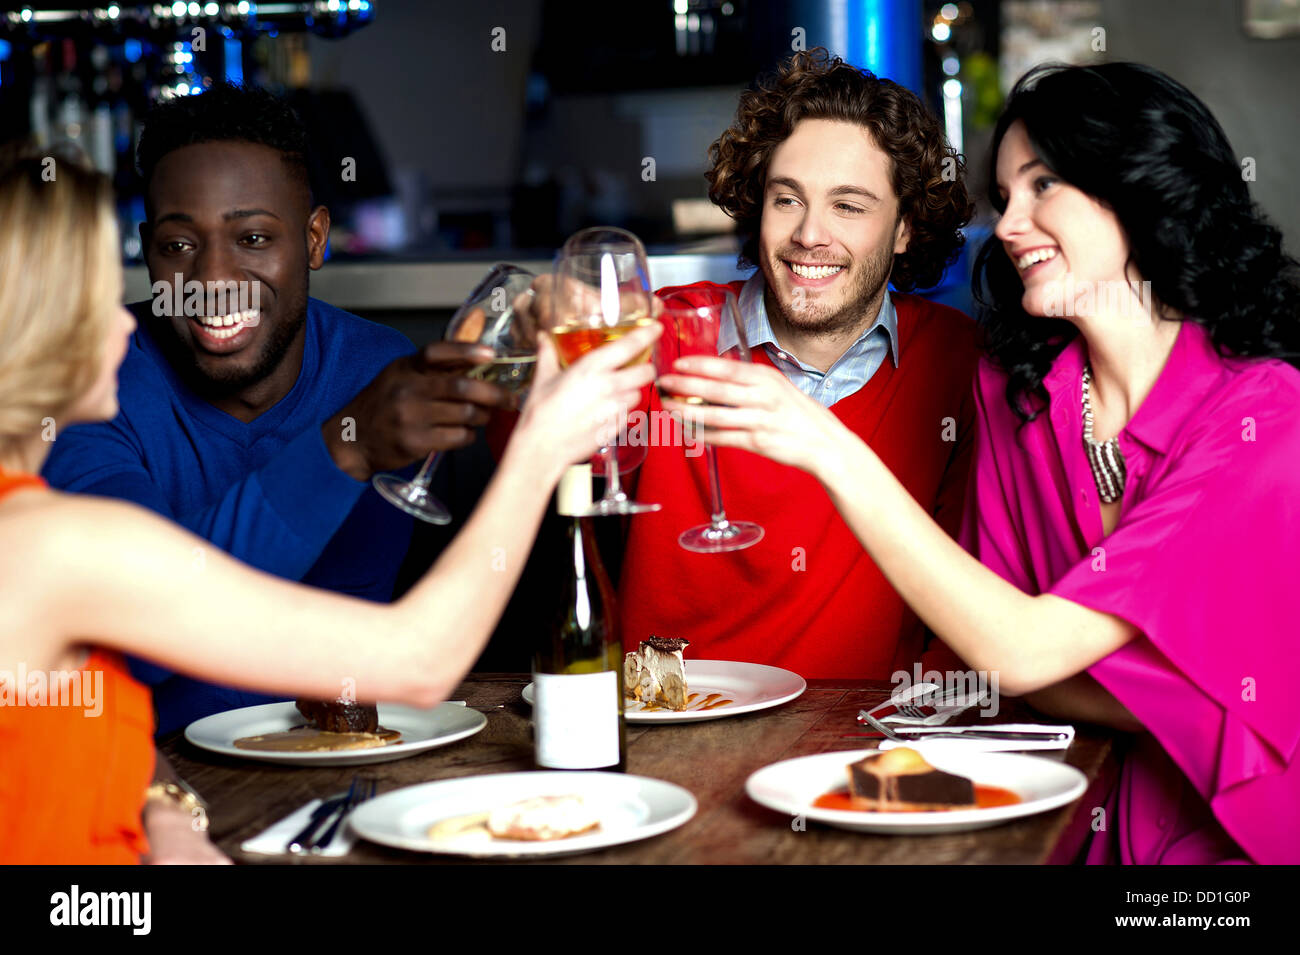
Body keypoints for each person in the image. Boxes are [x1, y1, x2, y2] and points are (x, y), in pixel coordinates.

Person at [658, 62, 1300, 864]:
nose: (1007, 224)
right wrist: (1171, 692)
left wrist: (826, 447)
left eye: (1043, 186)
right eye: (1006, 197)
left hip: (1232, 838)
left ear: (1140, 190)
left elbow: (1022, 649)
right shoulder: (1017, 395)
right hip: (1056, 812)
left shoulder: (1262, 416)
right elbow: (994, 655)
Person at [0, 146, 659, 864]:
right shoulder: (58, 545)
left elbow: (76, 730)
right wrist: (542, 444)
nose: (131, 322)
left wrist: (166, 816)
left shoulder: (34, 527)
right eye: (98, 302)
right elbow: (421, 659)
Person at [41, 84, 510, 734]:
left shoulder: (377, 371)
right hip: (155, 781)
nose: (213, 280)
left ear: (315, 239)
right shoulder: (89, 383)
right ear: (147, 251)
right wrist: (346, 448)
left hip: (351, 761)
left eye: (254, 237)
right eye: (179, 246)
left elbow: (358, 642)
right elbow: (143, 625)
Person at [618, 49, 979, 679]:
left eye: (849, 206)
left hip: (859, 744)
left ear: (903, 229)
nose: (811, 235)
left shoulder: (959, 362)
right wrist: (539, 365)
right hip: (669, 732)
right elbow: (551, 452)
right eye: (788, 200)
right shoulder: (667, 332)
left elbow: (969, 614)